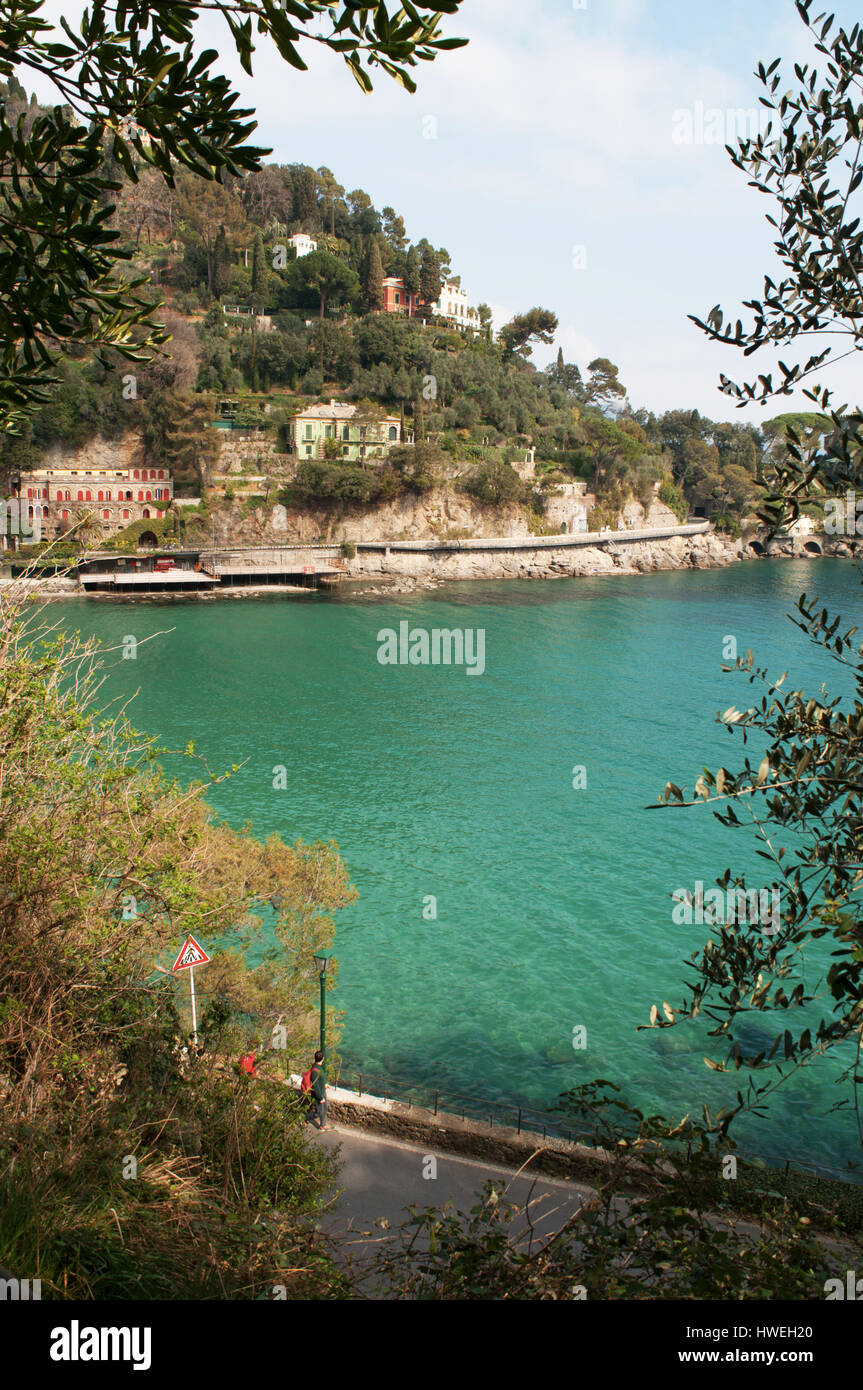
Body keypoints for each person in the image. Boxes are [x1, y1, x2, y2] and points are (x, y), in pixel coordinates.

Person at [309, 1050, 330, 1130]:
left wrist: (325, 1084)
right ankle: (307, 1117)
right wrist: (320, 1097)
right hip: (319, 1093)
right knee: (320, 1111)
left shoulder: (318, 1068)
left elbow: (321, 1078)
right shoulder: (315, 1070)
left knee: (324, 1109)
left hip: (322, 1091)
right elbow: (316, 1086)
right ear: (323, 1058)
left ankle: (323, 1125)